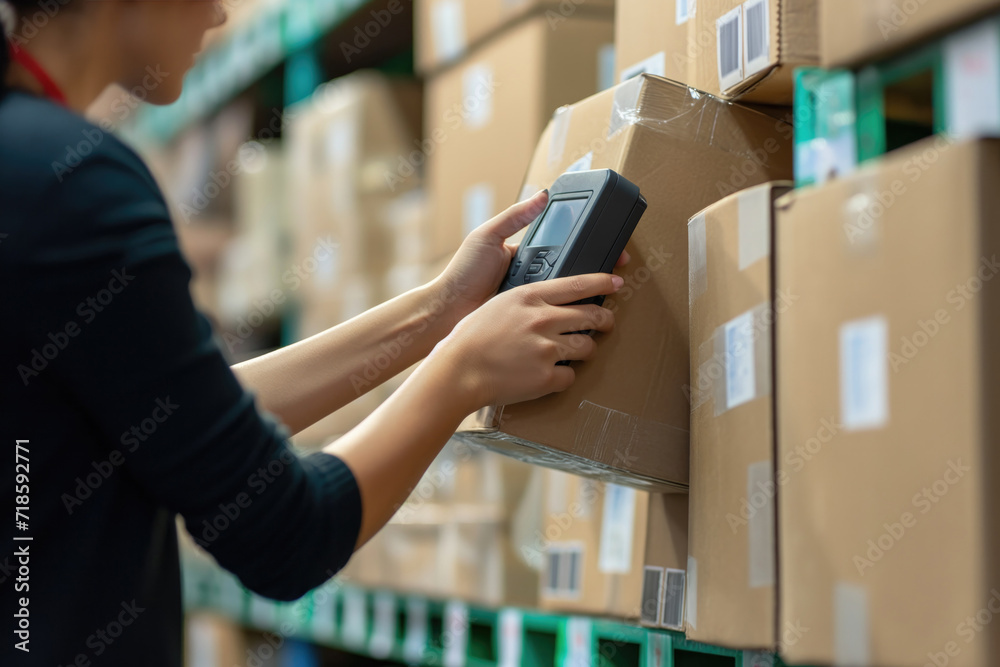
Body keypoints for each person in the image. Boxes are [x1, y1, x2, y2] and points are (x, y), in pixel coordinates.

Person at [0, 0, 627, 665]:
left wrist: (437, 312)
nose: (217, 16)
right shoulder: (73, 183)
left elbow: (168, 418)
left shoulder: (27, 166)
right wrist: (462, 371)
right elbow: (284, 533)